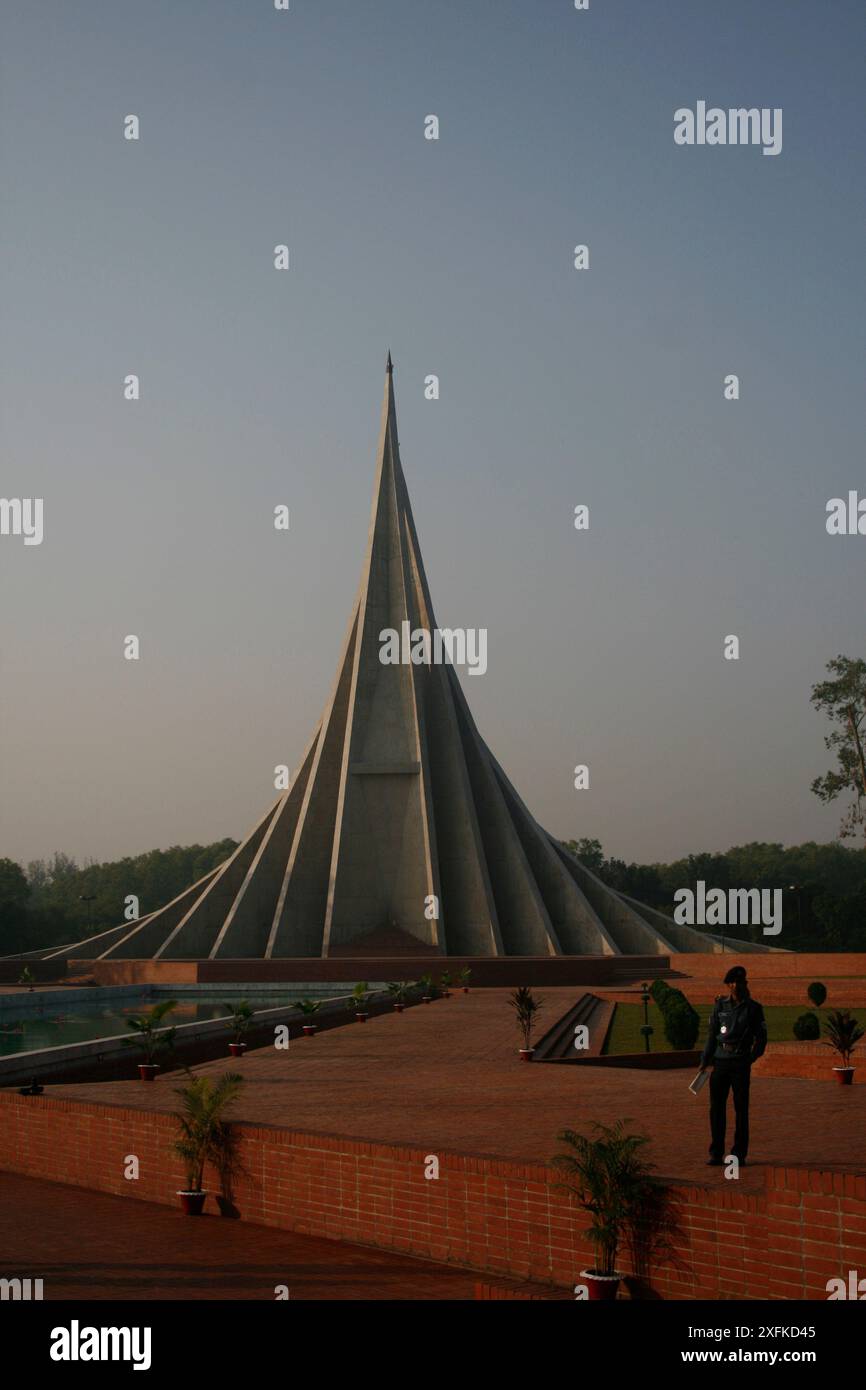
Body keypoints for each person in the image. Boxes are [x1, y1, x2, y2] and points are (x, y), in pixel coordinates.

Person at [699, 964, 767, 1166]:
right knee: (716, 1109)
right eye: (733, 982)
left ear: (745, 984)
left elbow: (761, 1039)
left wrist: (751, 1057)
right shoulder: (720, 1005)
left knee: (740, 1109)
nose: (737, 985)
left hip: (740, 1063)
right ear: (728, 985)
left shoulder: (754, 1009)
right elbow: (712, 1035)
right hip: (720, 1062)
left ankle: (738, 1154)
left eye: (740, 982)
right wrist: (705, 1060)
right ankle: (716, 1152)